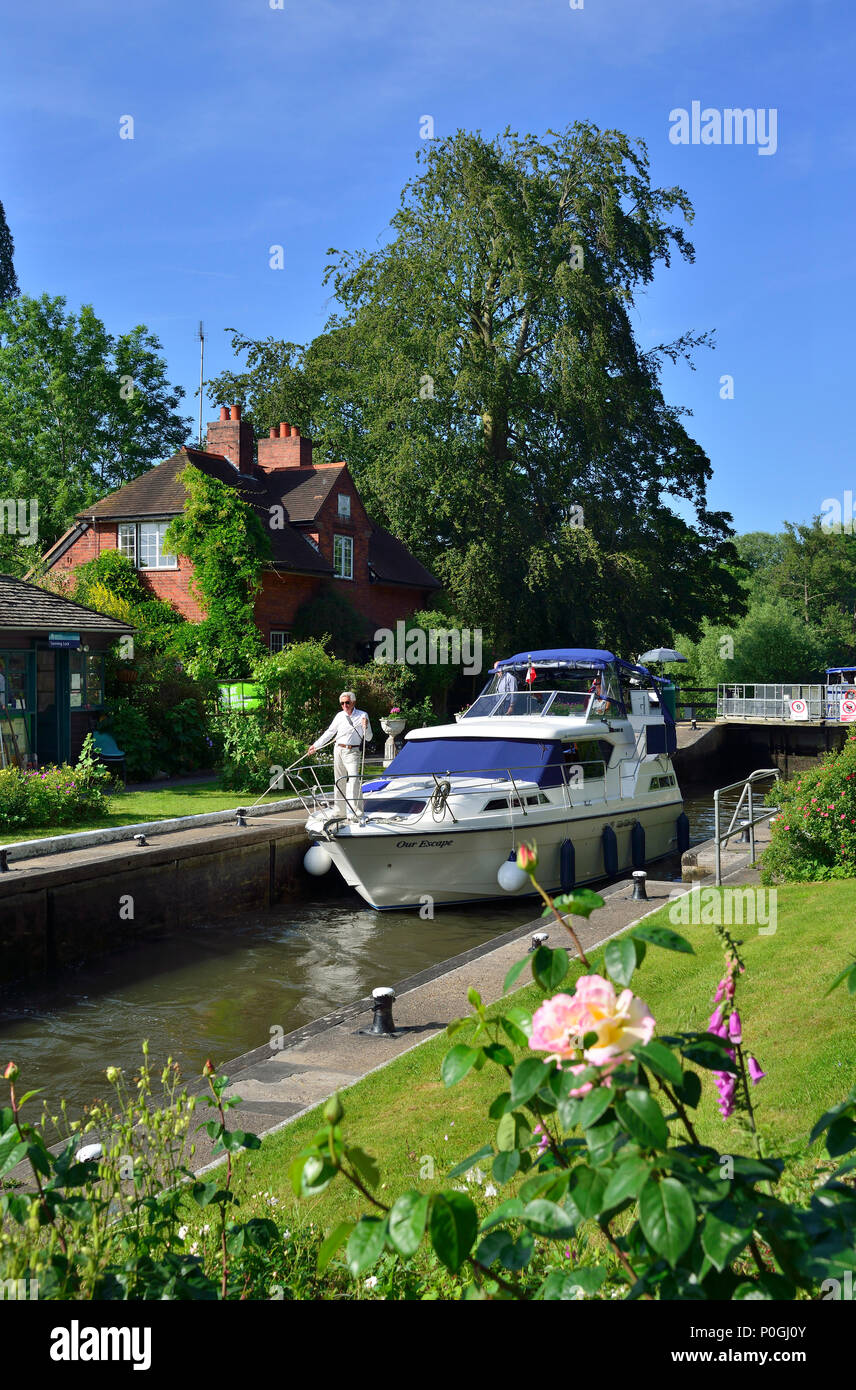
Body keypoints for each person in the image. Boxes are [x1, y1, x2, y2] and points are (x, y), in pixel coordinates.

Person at [308, 691, 373, 820]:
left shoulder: (362, 715)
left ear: (353, 702)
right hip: (338, 750)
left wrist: (366, 727)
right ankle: (339, 812)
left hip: (353, 752)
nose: (345, 705)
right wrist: (316, 746)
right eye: (342, 703)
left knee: (354, 781)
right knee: (339, 781)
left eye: (347, 702)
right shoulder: (339, 716)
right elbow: (330, 732)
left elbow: (369, 738)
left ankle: (358, 812)